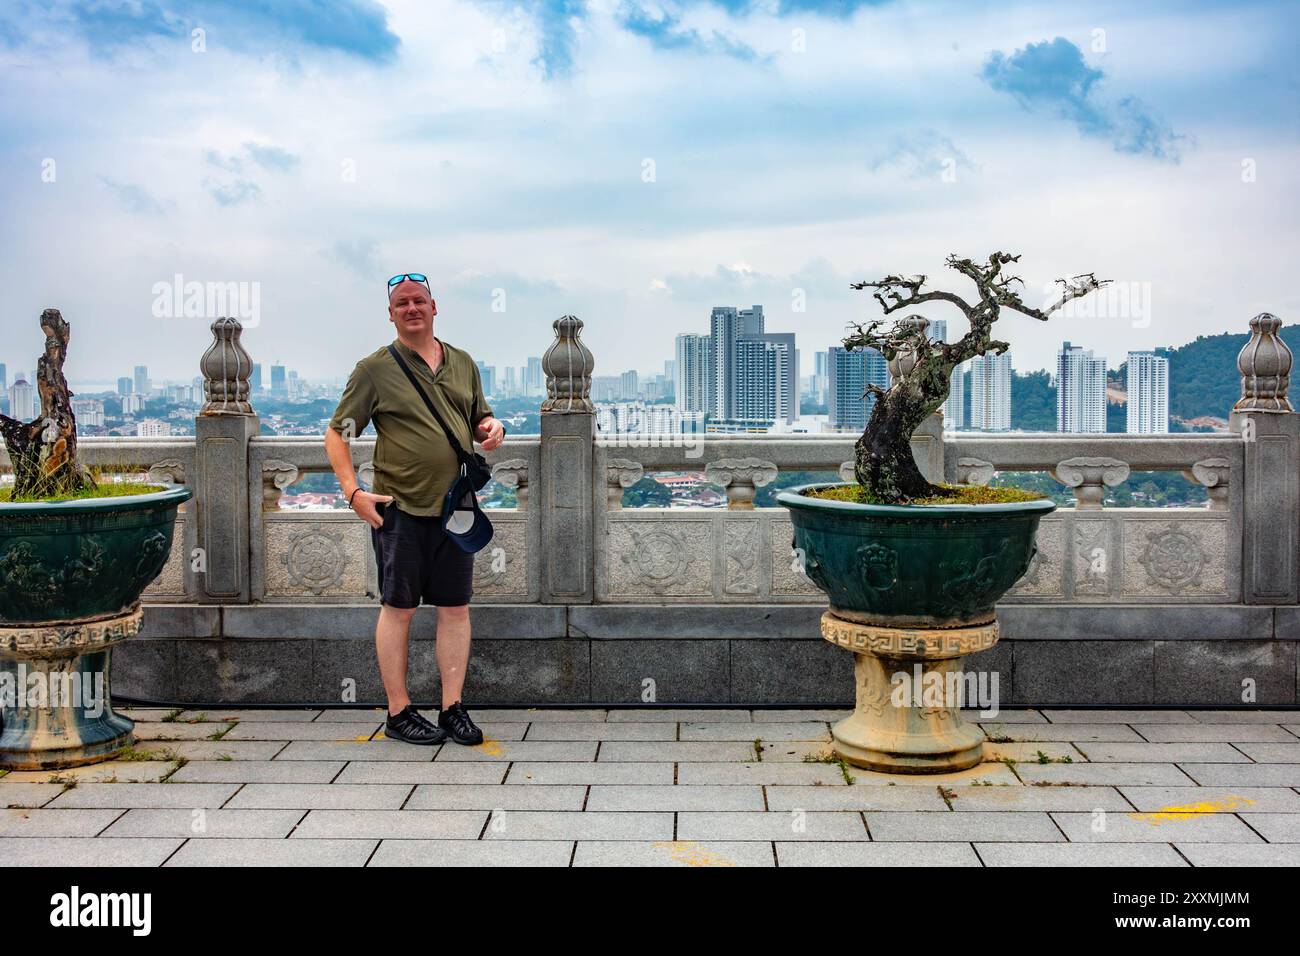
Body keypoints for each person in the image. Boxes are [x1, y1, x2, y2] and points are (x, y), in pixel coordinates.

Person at [325, 273, 505, 745]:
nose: (411, 308)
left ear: (434, 307)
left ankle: (452, 707)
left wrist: (490, 426)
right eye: (401, 303)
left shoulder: (462, 362)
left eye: (418, 301)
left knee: (455, 608)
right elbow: (337, 434)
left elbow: (477, 416)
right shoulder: (374, 369)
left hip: (455, 506)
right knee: (398, 608)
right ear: (391, 314)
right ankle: (399, 711)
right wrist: (352, 491)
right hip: (399, 506)